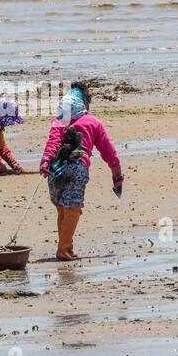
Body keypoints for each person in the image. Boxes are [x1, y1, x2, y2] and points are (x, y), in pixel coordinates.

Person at [39, 83, 123, 260]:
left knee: (62, 209)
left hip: (56, 169)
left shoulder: (59, 121)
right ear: (84, 103)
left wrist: (46, 160)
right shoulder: (93, 123)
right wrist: (117, 174)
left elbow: (52, 142)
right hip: (78, 167)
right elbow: (109, 152)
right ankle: (63, 250)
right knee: (73, 208)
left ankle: (67, 247)